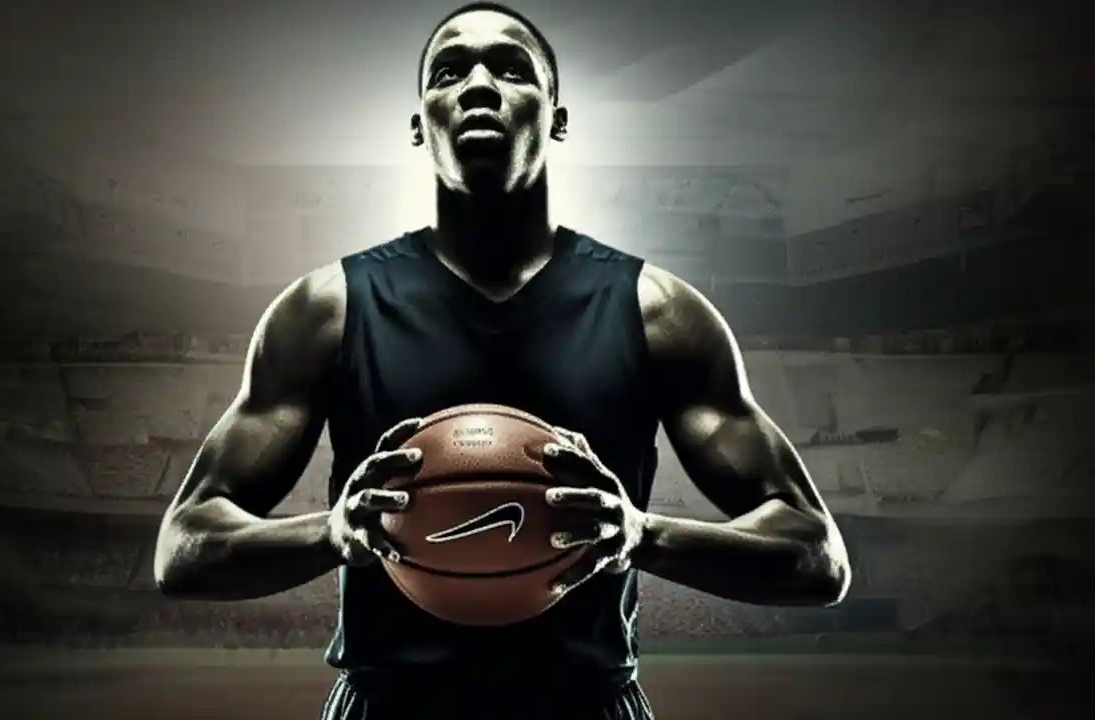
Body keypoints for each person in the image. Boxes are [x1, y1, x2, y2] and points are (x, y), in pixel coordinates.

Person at [153, 3, 851, 718]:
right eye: (449, 70)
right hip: (388, 703)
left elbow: (815, 555)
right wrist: (331, 532)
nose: (479, 84)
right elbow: (184, 547)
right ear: (420, 122)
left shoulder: (659, 312)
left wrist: (639, 533)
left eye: (511, 68)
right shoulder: (324, 310)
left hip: (586, 702)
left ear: (556, 116)